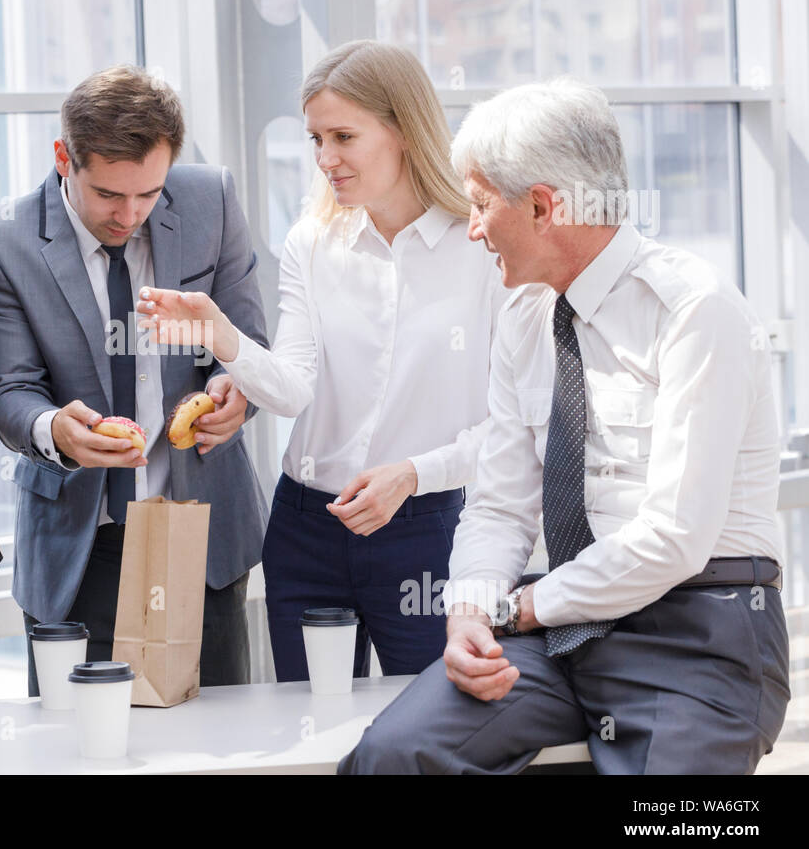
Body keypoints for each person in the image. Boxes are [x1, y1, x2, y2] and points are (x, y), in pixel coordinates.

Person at [339, 78, 790, 774]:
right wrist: (468, 615)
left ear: (545, 206)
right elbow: (498, 503)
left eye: (483, 205)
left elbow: (675, 536)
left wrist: (519, 610)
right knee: (394, 755)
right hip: (559, 628)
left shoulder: (694, 311)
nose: (475, 228)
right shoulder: (524, 318)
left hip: (698, 628)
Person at [138, 41, 506, 679]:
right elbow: (290, 389)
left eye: (343, 136)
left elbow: (512, 428)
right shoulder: (313, 240)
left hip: (424, 529)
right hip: (306, 529)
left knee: (423, 727)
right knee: (308, 730)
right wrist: (219, 333)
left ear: (403, 130)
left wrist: (414, 474)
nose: (325, 159)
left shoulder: (482, 248)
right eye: (315, 139)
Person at [0, 65, 269, 693]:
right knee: (81, 749)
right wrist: (54, 430)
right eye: (108, 194)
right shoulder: (1, 239)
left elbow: (249, 346)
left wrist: (235, 393)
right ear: (63, 158)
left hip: (201, 532)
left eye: (148, 194)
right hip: (81, 543)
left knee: (216, 746)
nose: (129, 215)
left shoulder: (211, 199)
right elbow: (10, 388)